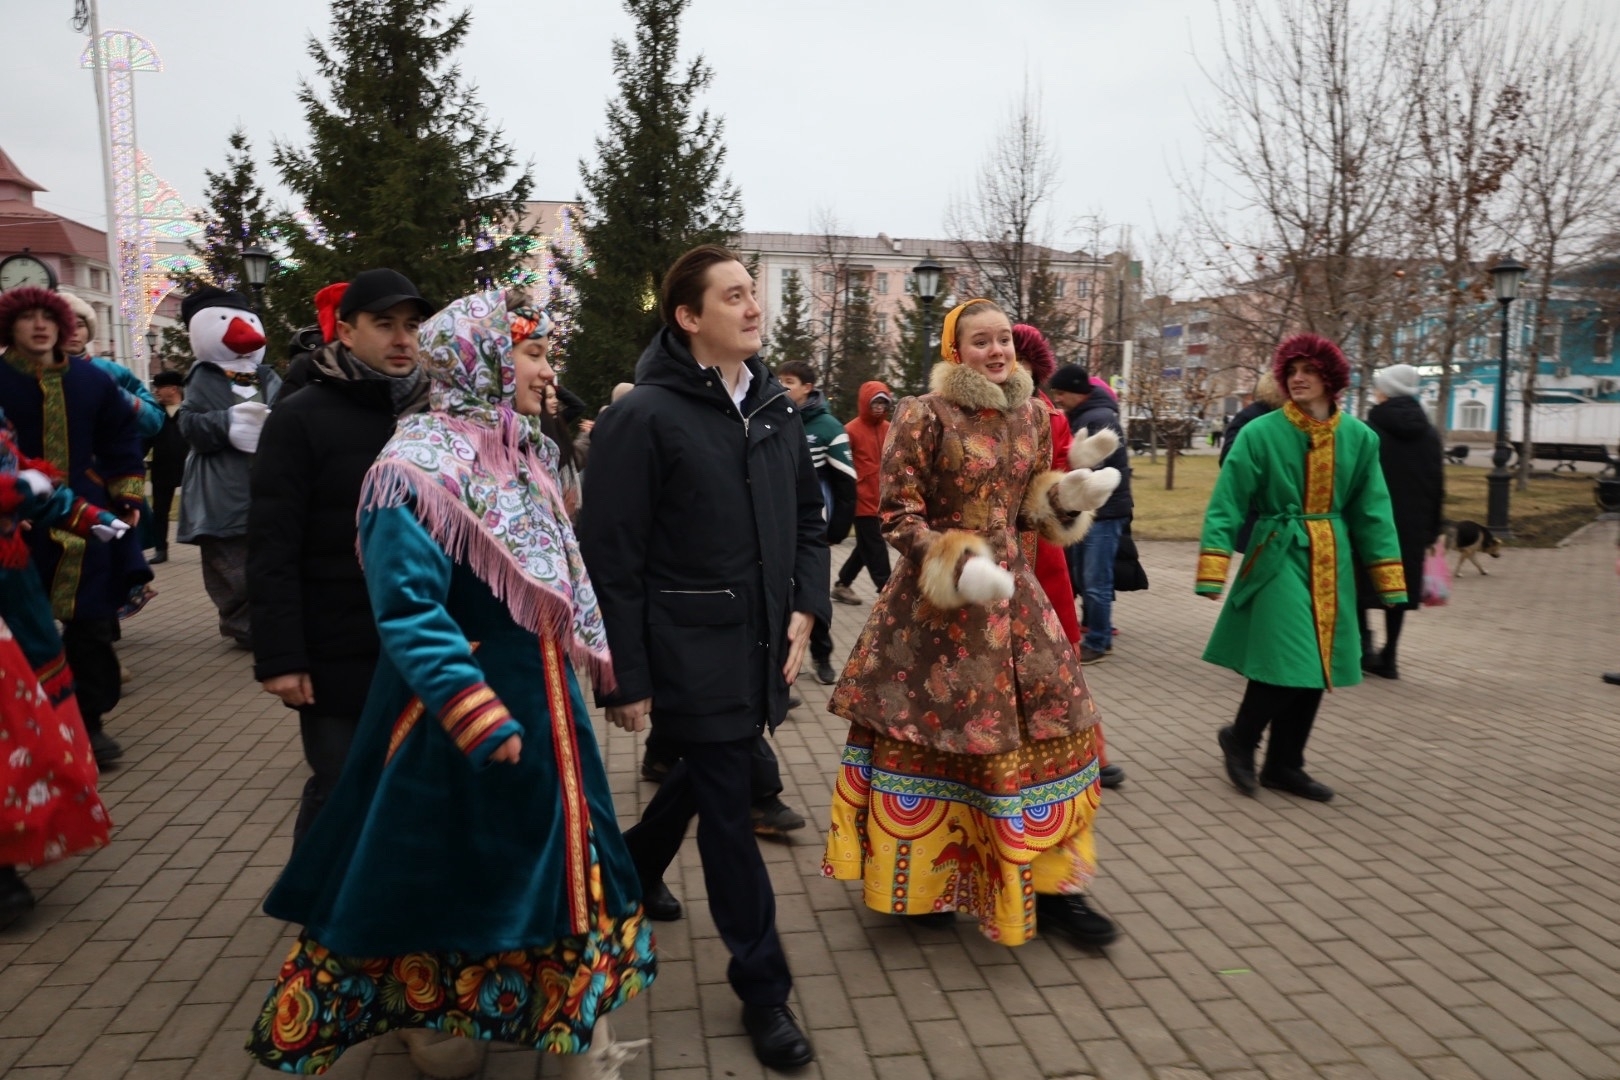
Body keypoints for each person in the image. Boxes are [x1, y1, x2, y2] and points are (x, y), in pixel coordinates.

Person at [246, 288, 653, 1080]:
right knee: (445, 873)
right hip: (451, 722)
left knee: (566, 865)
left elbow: (565, 574)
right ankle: (436, 1020)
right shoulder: (413, 466)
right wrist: (472, 708)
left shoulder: (522, 453)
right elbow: (404, 604)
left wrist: (606, 675)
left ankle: (570, 1026)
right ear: (486, 365)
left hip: (546, 711)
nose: (546, 368)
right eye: (531, 354)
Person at [578, 244, 827, 1070]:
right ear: (689, 318)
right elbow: (611, 556)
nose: (753, 307)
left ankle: (632, 871)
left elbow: (809, 519)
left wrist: (806, 605)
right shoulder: (641, 417)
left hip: (762, 644)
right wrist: (625, 674)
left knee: (708, 772)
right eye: (733, 296)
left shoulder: (776, 409)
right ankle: (765, 991)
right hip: (692, 650)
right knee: (732, 809)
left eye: (754, 293)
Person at [824, 298, 1123, 951]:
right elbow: (898, 515)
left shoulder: (1033, 415)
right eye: (980, 341)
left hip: (1016, 604)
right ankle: (922, 886)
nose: (995, 352)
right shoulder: (923, 416)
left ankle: (1055, 889)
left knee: (1059, 728)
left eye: (1003, 342)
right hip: (941, 611)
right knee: (937, 742)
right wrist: (955, 564)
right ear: (955, 351)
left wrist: (1066, 498)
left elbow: (1028, 512)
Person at [247, 269, 432, 847]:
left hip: (422, 645)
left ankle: (390, 914)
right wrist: (280, 656)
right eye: (385, 325)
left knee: (409, 787)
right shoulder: (301, 417)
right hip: (334, 646)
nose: (402, 339)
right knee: (341, 784)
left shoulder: (437, 415)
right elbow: (272, 543)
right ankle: (319, 913)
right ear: (347, 333)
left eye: (411, 325)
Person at [1200, 334, 1407, 803]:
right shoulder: (1259, 433)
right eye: (1291, 371)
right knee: (1288, 657)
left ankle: (1284, 763)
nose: (1297, 378)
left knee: (1318, 661)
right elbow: (1227, 501)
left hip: (1332, 560)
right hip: (1277, 554)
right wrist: (1213, 568)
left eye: (1308, 371)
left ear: (1330, 380)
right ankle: (1241, 737)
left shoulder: (1360, 438)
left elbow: (1373, 510)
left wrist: (1389, 580)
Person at [0, 287, 146, 767]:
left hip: (89, 520)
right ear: (10, 327)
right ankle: (36, 728)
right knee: (26, 630)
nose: (40, 326)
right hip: (16, 528)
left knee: (92, 626)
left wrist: (126, 495)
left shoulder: (92, 381)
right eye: (29, 318)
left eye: (49, 317)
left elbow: (122, 435)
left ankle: (91, 723)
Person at [0, 407, 122, 927]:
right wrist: (21, 489)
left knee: (21, 733)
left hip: (14, 600)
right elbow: (23, 486)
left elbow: (35, 484)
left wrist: (88, 515)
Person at [1014, 327, 1123, 789]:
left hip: (1040, 562)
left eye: (1020, 360)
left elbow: (1060, 481)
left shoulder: (1049, 416)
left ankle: (1086, 755)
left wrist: (1077, 473)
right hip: (982, 560)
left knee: (1060, 664)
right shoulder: (953, 416)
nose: (1009, 365)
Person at [177, 287, 283, 648]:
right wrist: (227, 424)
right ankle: (240, 623)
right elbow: (189, 427)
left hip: (268, 482)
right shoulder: (202, 377)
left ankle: (269, 618)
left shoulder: (268, 376)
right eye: (225, 320)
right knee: (230, 560)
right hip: (220, 486)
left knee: (269, 556)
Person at [1357, 363, 1443, 680]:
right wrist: (1433, 529)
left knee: (1361, 584)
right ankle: (1390, 656)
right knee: (1399, 588)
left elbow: (1357, 478)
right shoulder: (1429, 432)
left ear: (1386, 391)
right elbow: (1437, 483)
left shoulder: (1369, 429)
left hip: (1372, 522)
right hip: (1412, 526)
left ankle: (1363, 647)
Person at [775, 360, 855, 684]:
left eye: (789, 382)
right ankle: (778, 671)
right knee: (779, 597)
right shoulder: (773, 419)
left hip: (812, 529)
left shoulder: (828, 427)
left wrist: (834, 531)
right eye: (779, 381)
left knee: (812, 591)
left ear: (808, 387)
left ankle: (822, 655)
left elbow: (846, 483)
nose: (782, 387)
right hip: (778, 527)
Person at [1048, 364, 1132, 663]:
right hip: (1096, 511)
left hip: (1104, 512)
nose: (1057, 399)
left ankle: (1099, 640)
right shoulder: (1090, 414)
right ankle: (1094, 625)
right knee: (1086, 574)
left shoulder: (1097, 419)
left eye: (1060, 393)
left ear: (1076, 392)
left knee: (1095, 579)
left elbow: (1091, 470)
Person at [830, 380, 894, 606]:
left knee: (865, 545)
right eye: (875, 402)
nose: (879, 407)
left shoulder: (889, 429)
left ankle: (842, 584)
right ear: (865, 403)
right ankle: (887, 591)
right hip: (860, 500)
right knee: (875, 545)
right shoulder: (850, 430)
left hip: (882, 499)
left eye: (883, 403)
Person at [147, 371, 187, 564]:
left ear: (173, 389)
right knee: (159, 511)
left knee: (200, 508)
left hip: (189, 468)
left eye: (159, 388)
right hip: (162, 468)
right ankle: (161, 549)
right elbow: (143, 440)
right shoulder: (154, 412)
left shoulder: (190, 409)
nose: (156, 392)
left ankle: (209, 547)